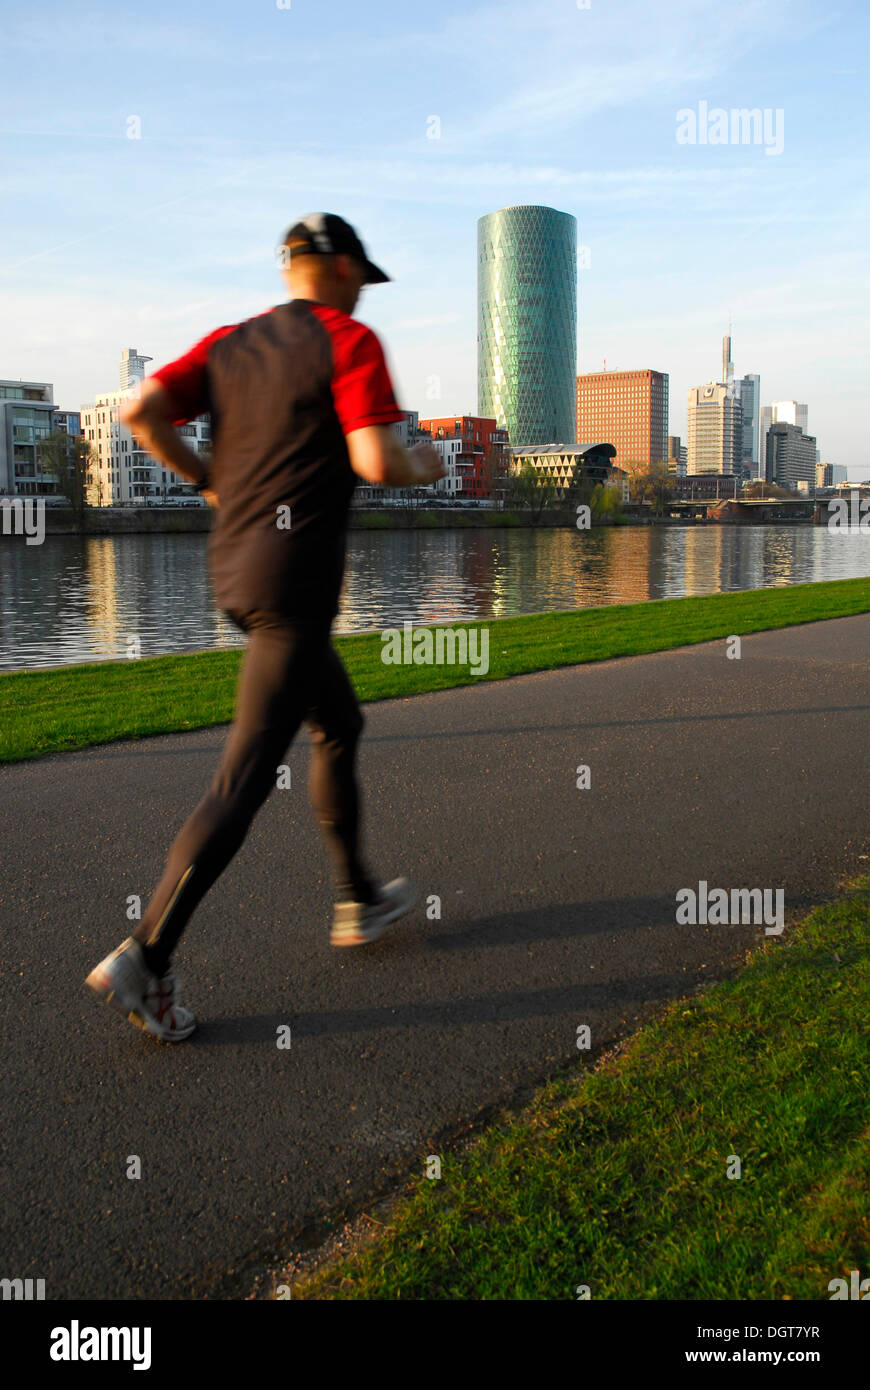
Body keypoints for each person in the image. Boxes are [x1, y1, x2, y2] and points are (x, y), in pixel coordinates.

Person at [85, 213, 446, 1043]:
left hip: (238, 573)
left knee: (341, 724)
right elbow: (377, 461)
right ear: (344, 266)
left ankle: (357, 897)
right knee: (241, 782)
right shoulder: (348, 339)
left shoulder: (229, 342)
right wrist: (423, 459)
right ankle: (147, 956)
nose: (362, 287)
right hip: (293, 589)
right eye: (362, 273)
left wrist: (207, 478)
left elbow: (141, 412)